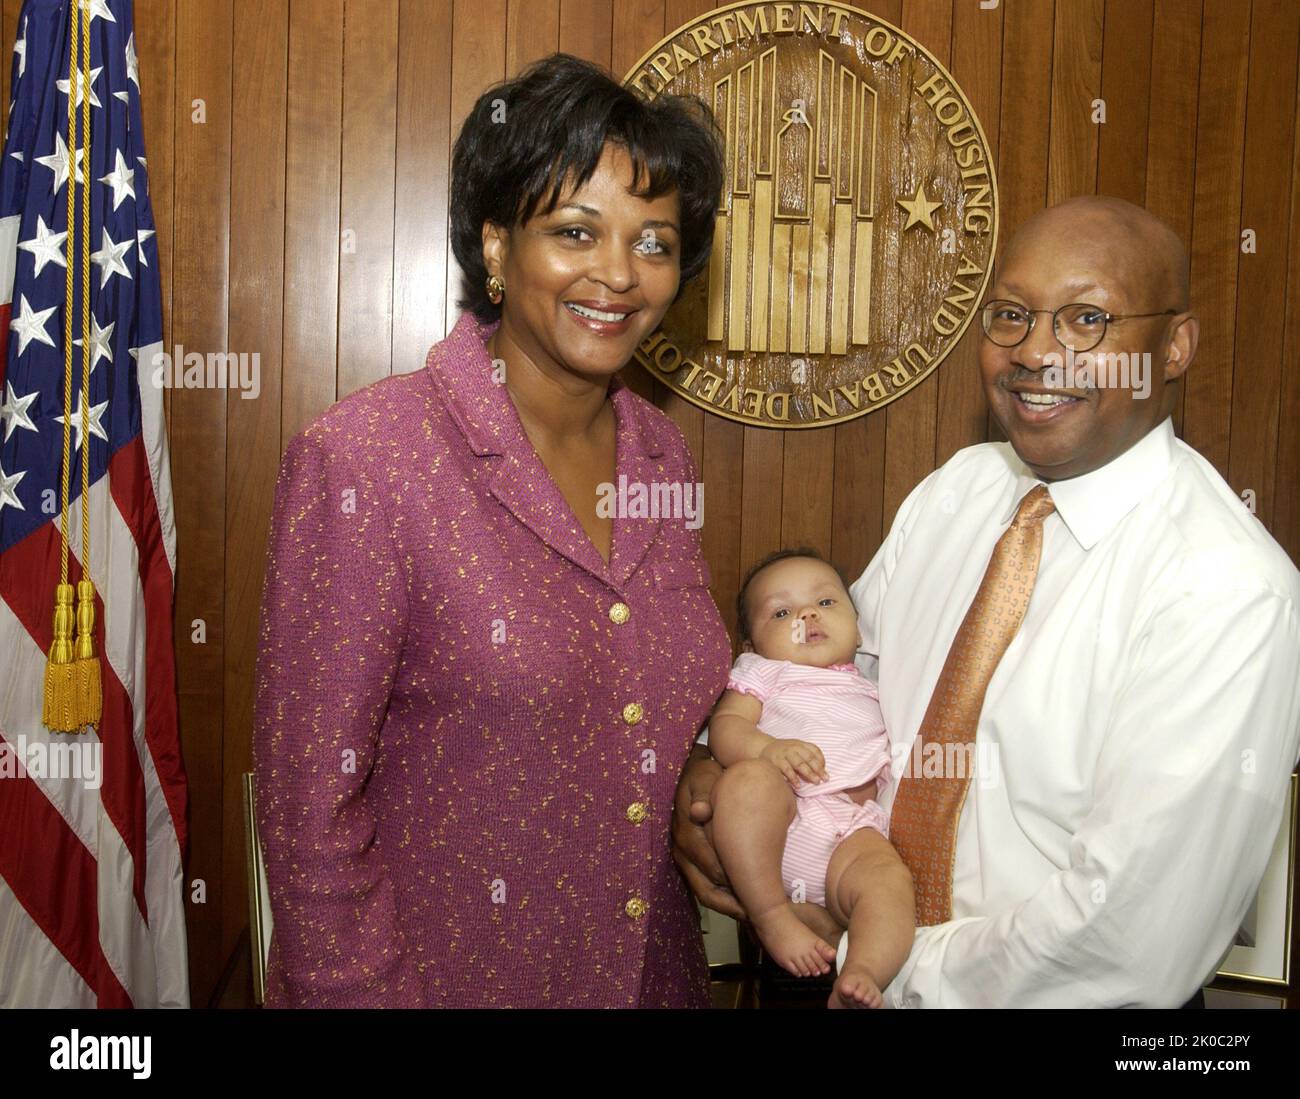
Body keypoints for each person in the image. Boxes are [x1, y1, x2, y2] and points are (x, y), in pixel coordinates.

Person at [672, 195, 1300, 1007]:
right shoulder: (958, 491)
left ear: (1174, 346)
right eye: (1011, 314)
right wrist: (716, 764)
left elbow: (1128, 940)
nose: (1037, 351)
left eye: (1085, 320)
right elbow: (825, 680)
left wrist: (883, 960)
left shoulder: (1229, 591)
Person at [253, 53, 728, 1007]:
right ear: (498, 248)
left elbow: (648, 697)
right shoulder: (368, 458)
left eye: (654, 242)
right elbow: (308, 812)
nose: (618, 274)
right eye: (575, 230)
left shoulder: (662, 457)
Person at [707, 549, 914, 1007]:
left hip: (850, 830)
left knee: (888, 881)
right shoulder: (765, 672)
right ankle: (772, 916)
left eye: (825, 603)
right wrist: (767, 749)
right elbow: (726, 729)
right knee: (747, 783)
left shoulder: (876, 685)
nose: (806, 615)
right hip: (781, 821)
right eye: (781, 612)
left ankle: (861, 971)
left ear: (860, 628)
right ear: (751, 646)